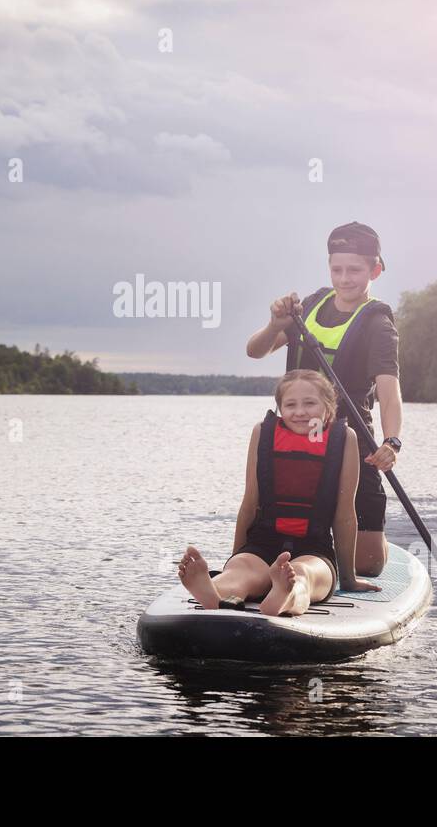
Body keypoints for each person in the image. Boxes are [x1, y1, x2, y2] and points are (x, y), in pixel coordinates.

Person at [245, 221, 402, 577]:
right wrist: (275, 324)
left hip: (349, 442)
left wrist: (392, 442)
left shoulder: (378, 325)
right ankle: (299, 555)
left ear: (375, 269)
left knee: (369, 566)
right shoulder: (312, 305)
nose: (345, 279)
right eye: (337, 269)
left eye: (355, 270)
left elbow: (390, 394)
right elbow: (255, 351)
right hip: (293, 438)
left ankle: (332, 550)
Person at [178, 370, 381, 617]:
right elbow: (249, 504)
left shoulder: (344, 438)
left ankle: (284, 594)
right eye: (290, 404)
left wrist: (348, 578)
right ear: (280, 408)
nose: (300, 412)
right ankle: (214, 590)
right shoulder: (263, 433)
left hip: (313, 548)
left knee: (303, 574)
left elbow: (345, 514)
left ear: (328, 406)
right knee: (241, 570)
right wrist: (235, 556)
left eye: (310, 403)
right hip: (262, 543)